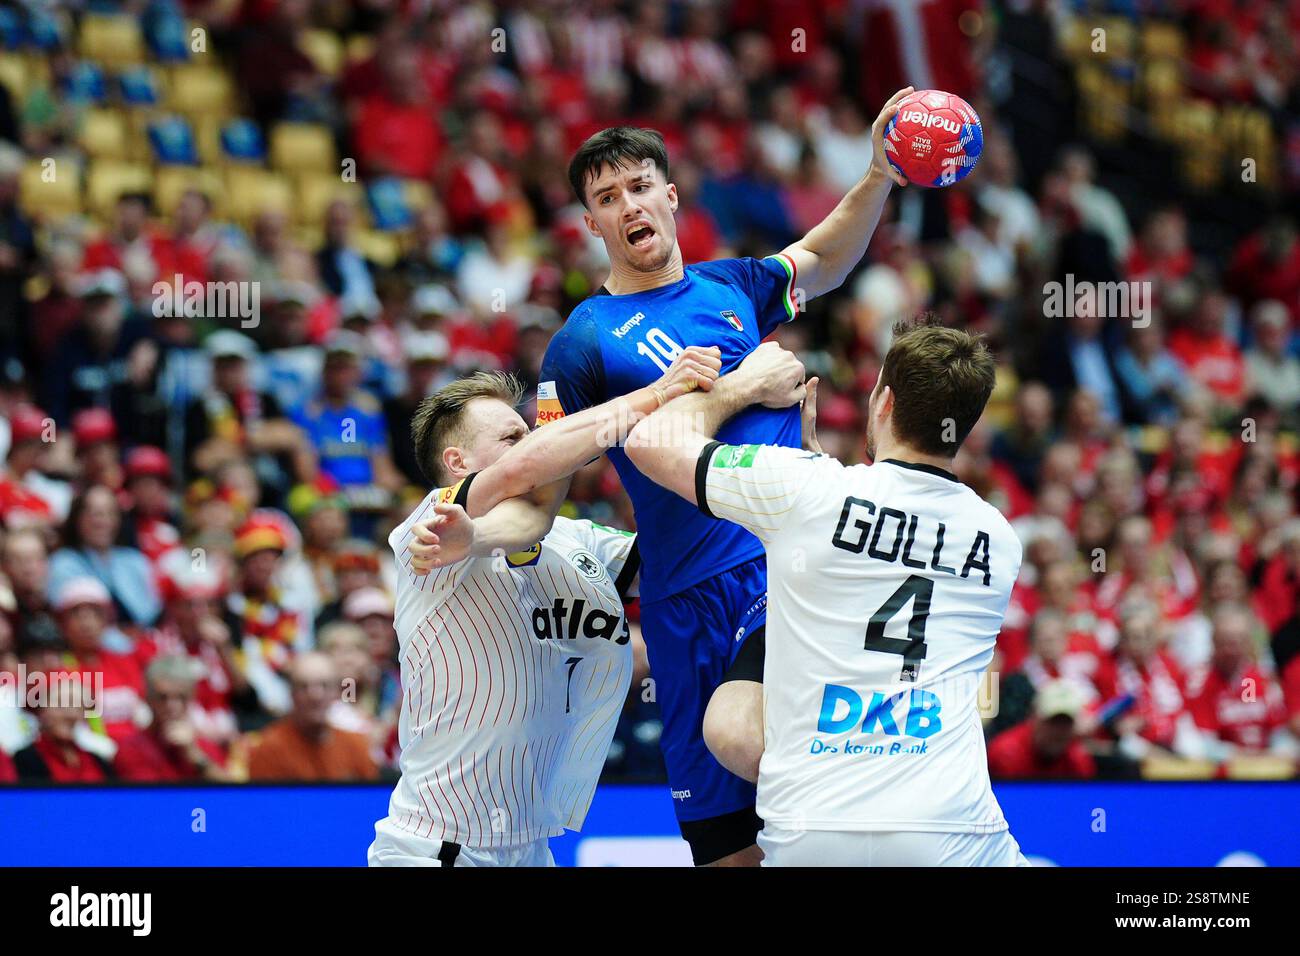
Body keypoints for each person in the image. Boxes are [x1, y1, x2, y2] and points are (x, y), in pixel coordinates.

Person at [439, 90, 911, 866]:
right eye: (605, 197)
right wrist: (477, 532)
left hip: (780, 568)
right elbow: (538, 497)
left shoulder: (732, 289)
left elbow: (824, 255)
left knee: (792, 780)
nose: (627, 204)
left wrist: (879, 174)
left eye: (637, 186)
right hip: (681, 603)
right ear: (591, 224)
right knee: (726, 849)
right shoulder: (581, 344)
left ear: (669, 194)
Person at [625, 317, 1029, 866]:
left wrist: (741, 386)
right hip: (950, 828)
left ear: (883, 400)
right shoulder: (999, 541)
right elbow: (889, 557)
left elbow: (650, 441)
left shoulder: (807, 489)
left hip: (810, 828)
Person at [374, 348, 797, 866]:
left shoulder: (576, 541)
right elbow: (518, 478)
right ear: (457, 463)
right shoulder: (427, 532)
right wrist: (662, 390)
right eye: (513, 437)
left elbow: (683, 564)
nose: (536, 445)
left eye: (531, 433)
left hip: (530, 848)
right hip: (436, 844)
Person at [246, 652, 377, 782]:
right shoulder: (269, 750)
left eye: (325, 686)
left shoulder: (356, 746)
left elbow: (371, 799)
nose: (315, 695)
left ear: (336, 693)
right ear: (292, 693)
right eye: (304, 686)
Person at [986, 680, 1098, 780]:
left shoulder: (1078, 761)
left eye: (1066, 723)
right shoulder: (1005, 756)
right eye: (1052, 722)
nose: (1058, 731)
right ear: (1033, 717)